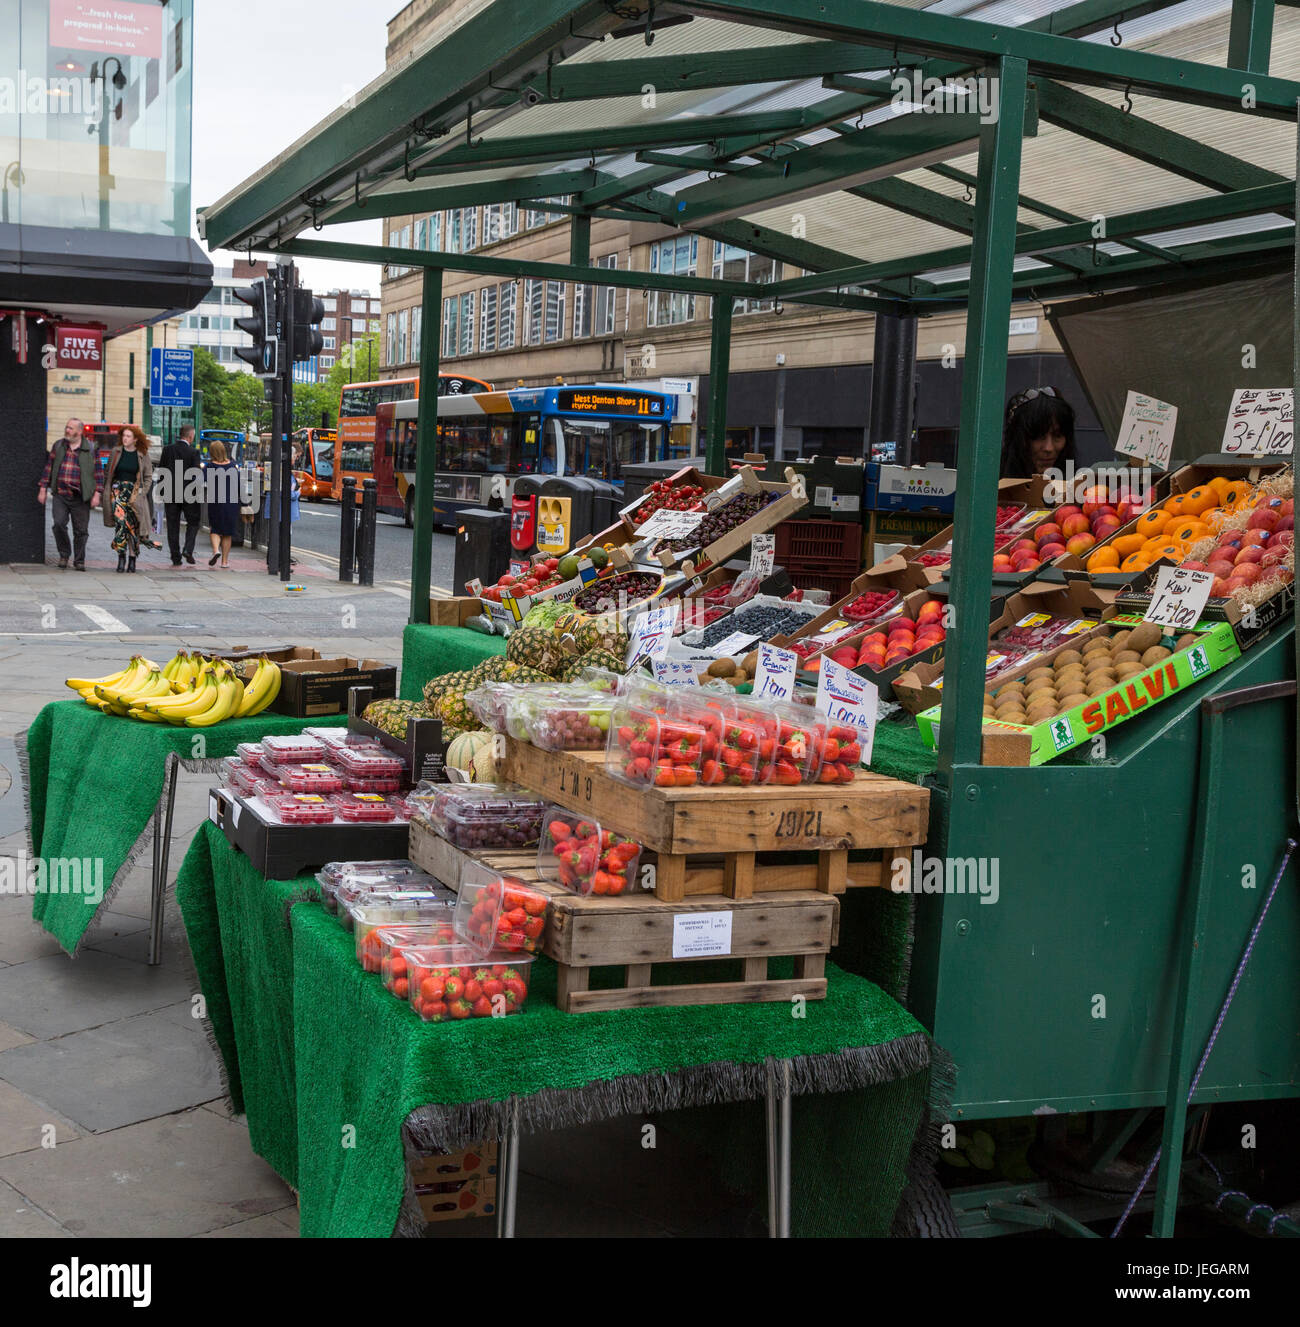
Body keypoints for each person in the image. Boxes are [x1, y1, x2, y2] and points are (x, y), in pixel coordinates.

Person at [37, 418, 103, 570]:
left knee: (81, 531)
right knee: (58, 524)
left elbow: (98, 473)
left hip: (81, 496)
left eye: (71, 428)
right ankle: (64, 554)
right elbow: (49, 468)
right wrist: (43, 489)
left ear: (80, 431)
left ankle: (79, 560)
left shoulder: (91, 449)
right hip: (61, 494)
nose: (67, 430)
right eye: (66, 427)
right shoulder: (59, 446)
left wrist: (97, 494)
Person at [103, 424, 156, 573]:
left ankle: (132, 558)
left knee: (133, 527)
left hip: (134, 495)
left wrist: (142, 493)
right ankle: (121, 558)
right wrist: (109, 489)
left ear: (135, 439)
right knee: (121, 526)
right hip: (118, 493)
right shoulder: (116, 452)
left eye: (128, 436)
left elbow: (148, 477)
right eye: (123, 436)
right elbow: (108, 472)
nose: (125, 439)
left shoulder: (143, 454)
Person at [1000, 385, 1078, 478]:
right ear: (1017, 439)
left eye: (1057, 436)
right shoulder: (989, 489)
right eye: (1037, 436)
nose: (1049, 448)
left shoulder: (1081, 489)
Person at [160, 424, 202, 566]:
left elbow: (161, 470)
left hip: (170, 493)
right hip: (189, 494)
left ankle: (175, 557)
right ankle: (188, 549)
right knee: (194, 522)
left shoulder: (167, 450)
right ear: (190, 436)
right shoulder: (194, 452)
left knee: (172, 525)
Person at [205, 439, 242, 568]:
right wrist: (244, 503)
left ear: (212, 452)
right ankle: (225, 562)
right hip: (231, 503)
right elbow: (238, 486)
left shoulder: (210, 466)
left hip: (215, 502)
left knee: (215, 529)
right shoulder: (232, 466)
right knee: (227, 533)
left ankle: (216, 551)